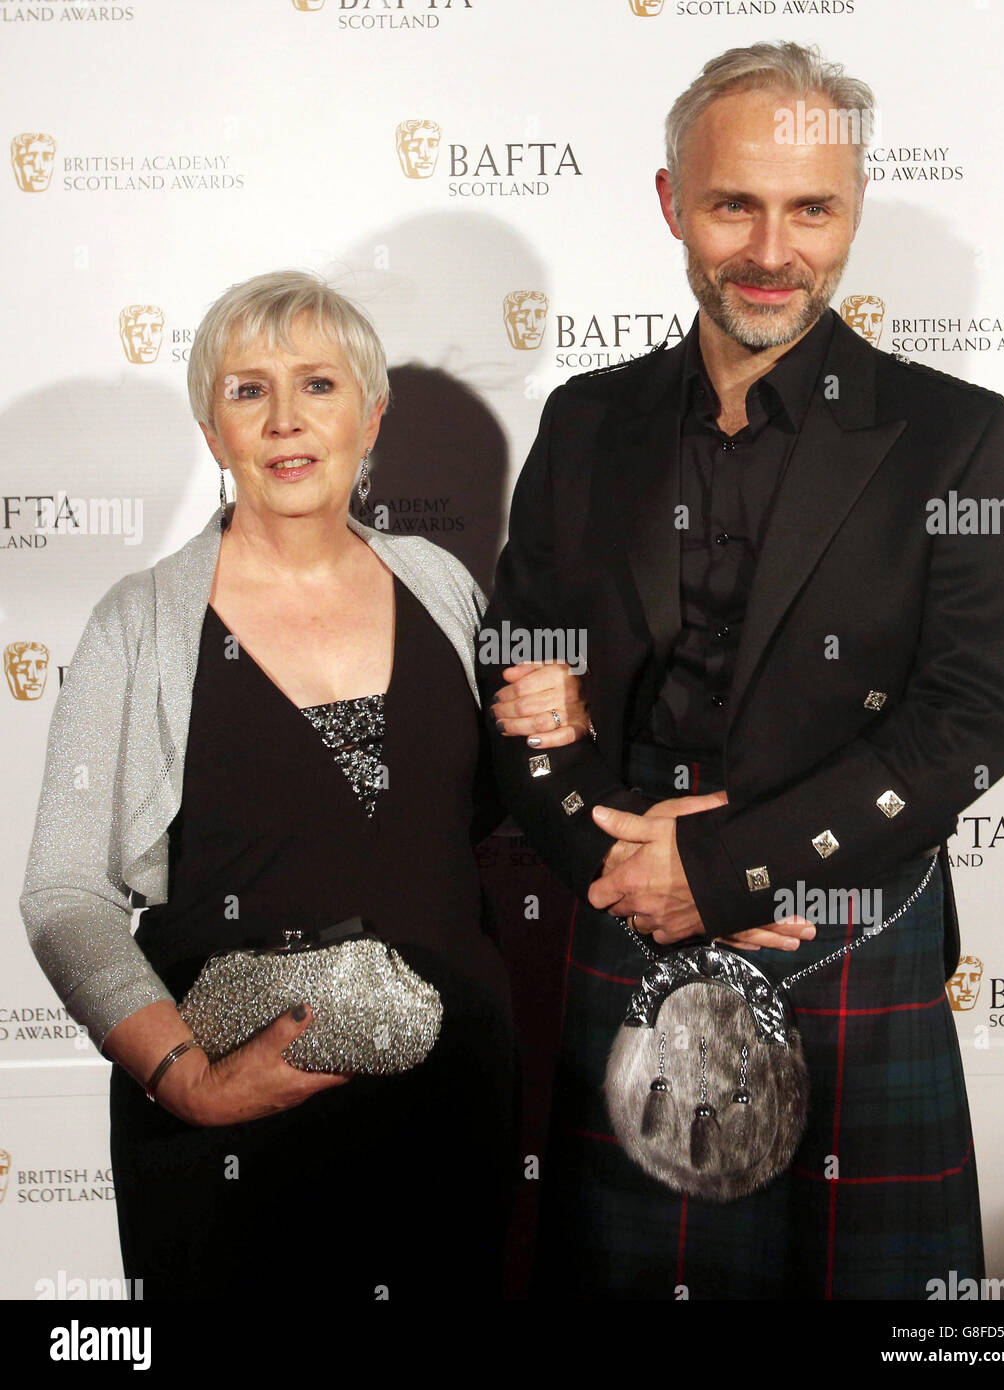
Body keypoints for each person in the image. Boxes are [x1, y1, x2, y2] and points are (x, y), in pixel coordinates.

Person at [480, 41, 1004, 1299]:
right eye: (734, 203)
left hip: (852, 929)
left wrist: (724, 868)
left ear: (852, 211)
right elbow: (520, 659)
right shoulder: (582, 422)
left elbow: (965, 725)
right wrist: (619, 868)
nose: (772, 250)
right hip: (628, 916)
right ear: (672, 202)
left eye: (811, 208)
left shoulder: (958, 436)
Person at [20, 269, 589, 1300]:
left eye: (318, 384)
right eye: (247, 391)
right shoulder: (138, 622)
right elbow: (66, 892)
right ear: (211, 431)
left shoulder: (443, 584)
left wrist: (565, 728)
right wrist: (185, 1080)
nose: (285, 419)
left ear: (369, 414)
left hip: (447, 1106)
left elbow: (480, 802)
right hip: (229, 1134)